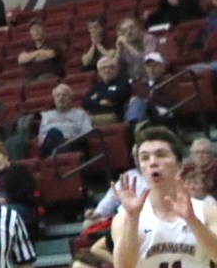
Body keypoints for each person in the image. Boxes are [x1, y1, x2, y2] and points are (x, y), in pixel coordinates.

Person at [110, 127, 217, 268]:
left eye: (161, 155)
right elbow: (124, 266)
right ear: (141, 169)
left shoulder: (208, 211)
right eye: (145, 157)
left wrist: (192, 220)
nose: (152, 162)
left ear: (180, 166)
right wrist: (132, 218)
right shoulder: (124, 218)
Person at [39, 83, 95, 157]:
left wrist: (67, 137)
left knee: (54, 133)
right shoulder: (46, 115)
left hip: (70, 144)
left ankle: (53, 160)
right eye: (58, 95)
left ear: (71, 98)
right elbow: (40, 138)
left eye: (64, 95)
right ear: (54, 99)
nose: (61, 98)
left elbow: (88, 134)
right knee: (53, 133)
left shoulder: (80, 114)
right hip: (49, 145)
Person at [84, 55, 135, 122]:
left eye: (111, 67)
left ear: (117, 70)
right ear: (99, 72)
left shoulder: (123, 83)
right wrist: (99, 102)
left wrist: (97, 95)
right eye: (103, 68)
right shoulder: (96, 86)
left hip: (114, 116)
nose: (107, 70)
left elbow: (116, 96)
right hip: (95, 116)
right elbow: (85, 101)